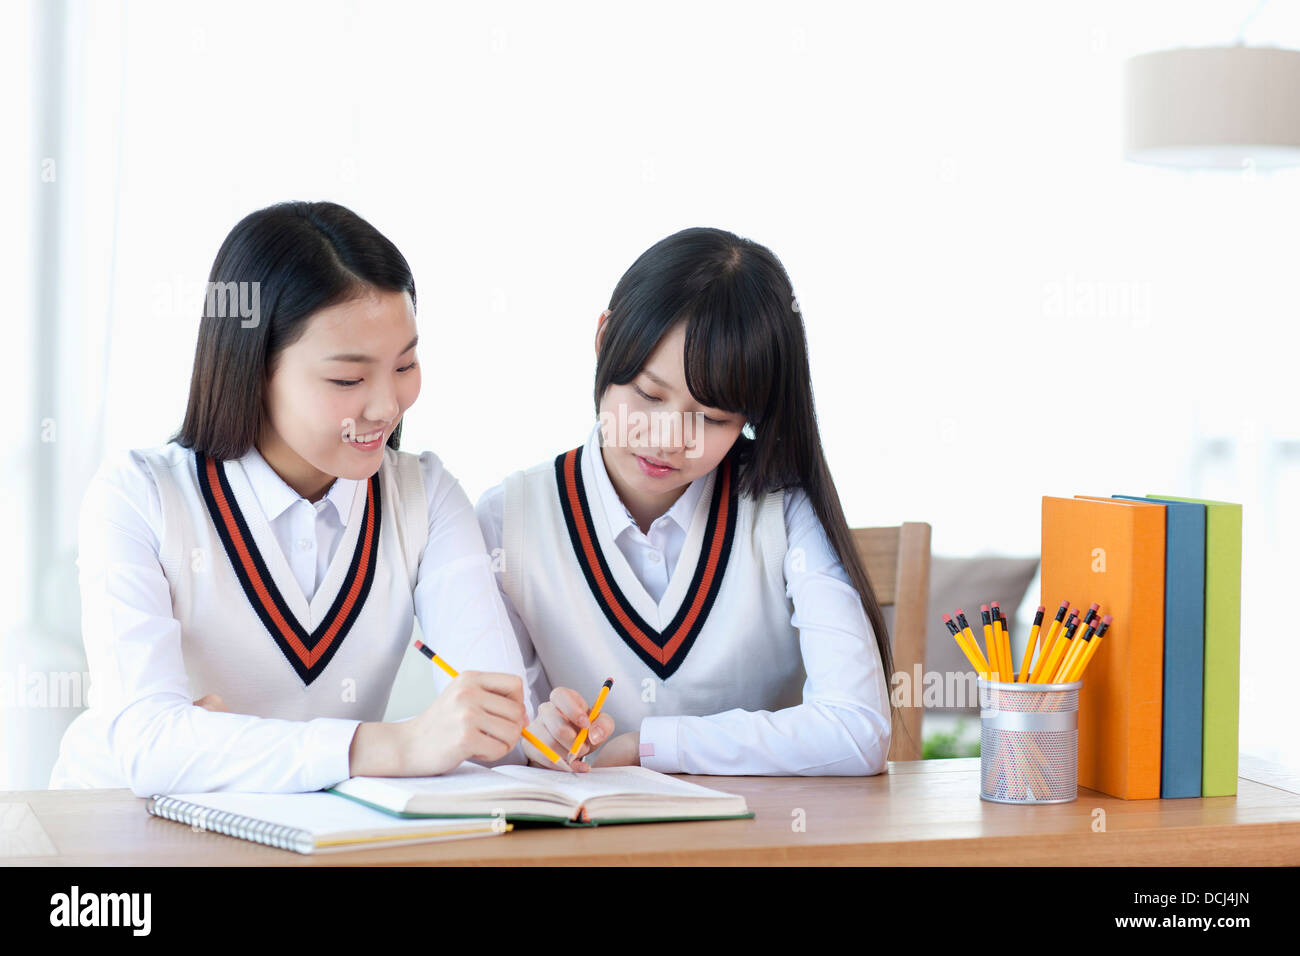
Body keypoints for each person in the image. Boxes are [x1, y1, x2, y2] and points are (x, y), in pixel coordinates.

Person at [49, 201, 598, 798]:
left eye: (406, 364)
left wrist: (525, 734)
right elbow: (151, 748)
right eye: (347, 380)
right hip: (113, 831)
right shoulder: (140, 495)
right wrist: (393, 744)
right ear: (252, 368)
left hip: (315, 833)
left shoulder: (426, 496)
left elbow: (489, 709)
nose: (387, 407)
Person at [476, 226, 898, 775]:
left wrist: (642, 746)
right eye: (648, 396)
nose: (668, 439)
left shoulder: (784, 509)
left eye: (712, 418)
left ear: (754, 415)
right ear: (605, 341)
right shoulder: (510, 520)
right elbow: (497, 742)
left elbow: (855, 730)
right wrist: (537, 739)